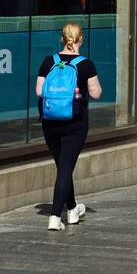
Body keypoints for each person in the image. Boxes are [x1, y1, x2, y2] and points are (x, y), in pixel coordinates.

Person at [36, 23, 101, 231]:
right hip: (75, 124)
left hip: (50, 123)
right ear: (81, 39)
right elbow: (96, 93)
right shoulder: (86, 65)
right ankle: (55, 216)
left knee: (64, 167)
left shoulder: (48, 62)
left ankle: (72, 209)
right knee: (65, 169)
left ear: (62, 39)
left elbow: (39, 92)